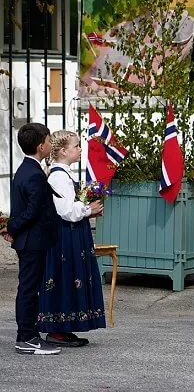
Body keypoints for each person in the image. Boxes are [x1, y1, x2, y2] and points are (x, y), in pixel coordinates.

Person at [37, 130, 106, 347]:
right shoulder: (58, 177)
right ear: (63, 151)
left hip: (71, 233)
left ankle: (65, 326)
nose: (79, 149)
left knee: (70, 276)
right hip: (65, 235)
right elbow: (65, 210)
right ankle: (57, 328)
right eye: (76, 146)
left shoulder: (64, 174)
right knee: (64, 277)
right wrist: (87, 209)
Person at [0, 123, 60, 355]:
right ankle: (26, 337)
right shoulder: (33, 173)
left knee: (29, 288)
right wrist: (10, 227)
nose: (49, 143)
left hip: (29, 240)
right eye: (47, 140)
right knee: (28, 290)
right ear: (40, 146)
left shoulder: (25, 169)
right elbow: (32, 210)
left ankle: (29, 335)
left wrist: (12, 227)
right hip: (32, 241)